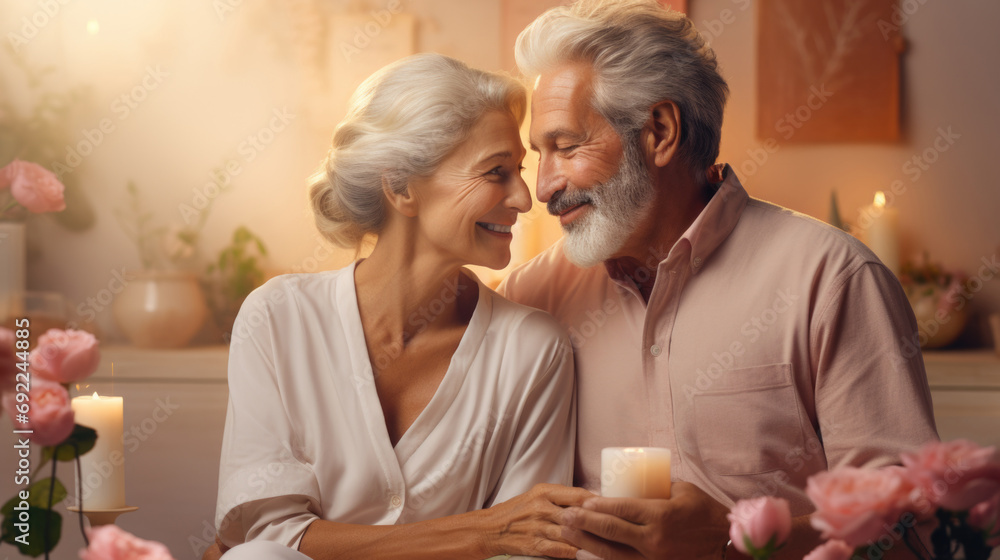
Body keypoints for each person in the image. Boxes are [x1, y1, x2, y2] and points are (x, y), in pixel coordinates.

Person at [498, 1, 939, 558]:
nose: (543, 187)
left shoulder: (832, 280)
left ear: (659, 131)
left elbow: (912, 530)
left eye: (565, 146)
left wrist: (731, 543)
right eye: (539, 154)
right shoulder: (531, 298)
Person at [209, 53, 594, 560]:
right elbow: (266, 535)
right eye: (496, 172)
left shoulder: (533, 347)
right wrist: (481, 532)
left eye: (517, 171)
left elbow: (527, 544)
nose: (525, 198)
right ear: (400, 187)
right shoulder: (278, 318)